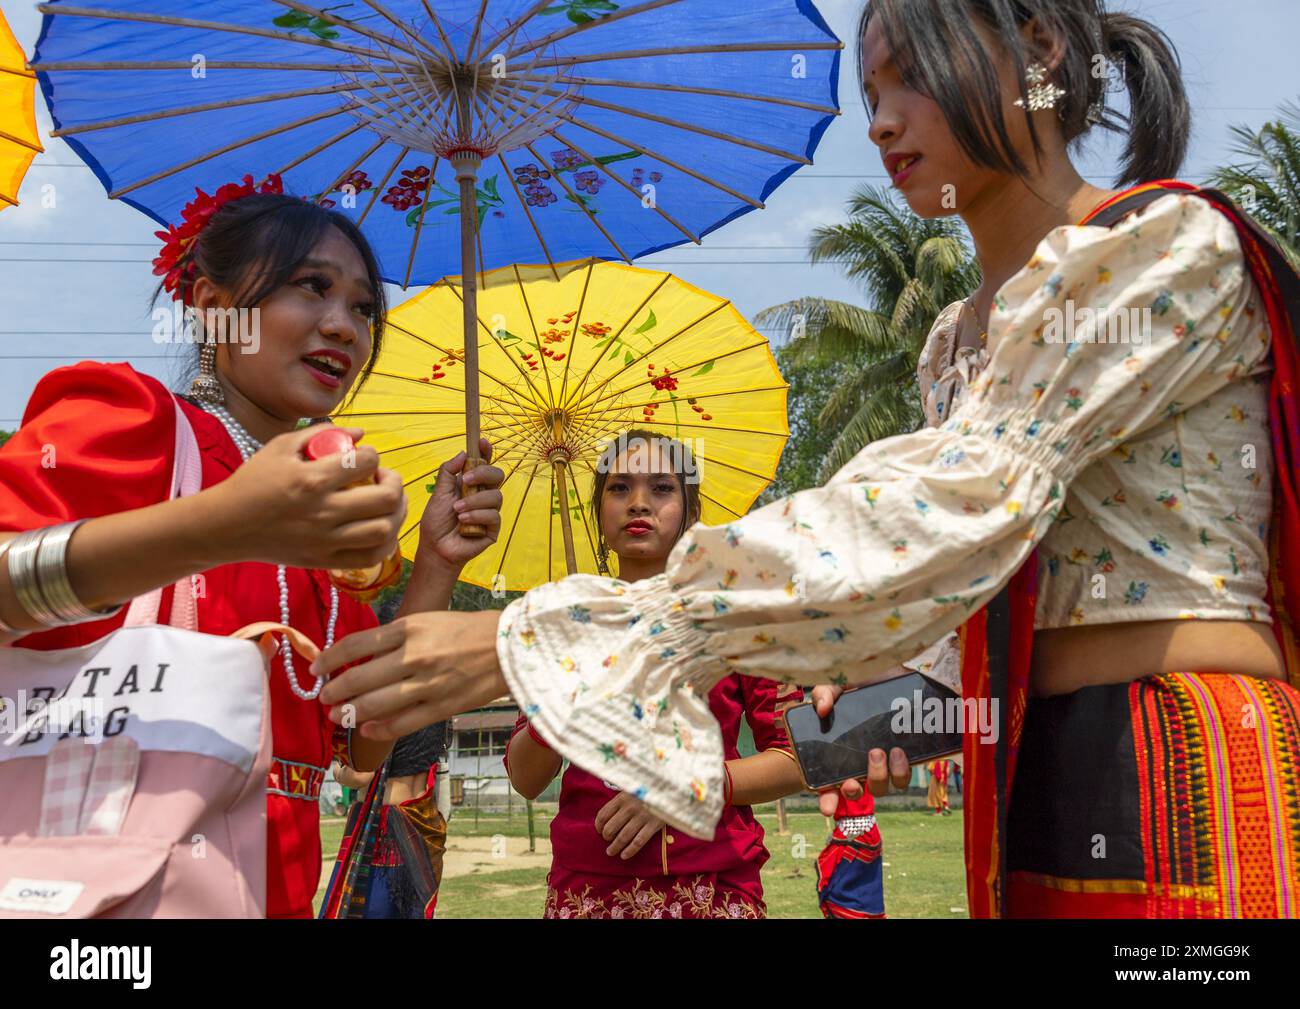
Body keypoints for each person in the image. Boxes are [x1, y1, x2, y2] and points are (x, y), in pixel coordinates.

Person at [314, 0, 1300, 920]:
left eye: (909, 79)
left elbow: (945, 514)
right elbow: (931, 616)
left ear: (1038, 51)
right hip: (1024, 774)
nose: (880, 122)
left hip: (1180, 751)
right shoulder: (953, 342)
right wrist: (852, 692)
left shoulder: (1162, 246)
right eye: (870, 97)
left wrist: (529, 638)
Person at [0, 178, 504, 918]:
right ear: (212, 309)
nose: (345, 326)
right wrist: (226, 524)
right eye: (312, 287)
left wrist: (435, 562)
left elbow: (363, 750)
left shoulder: (314, 523)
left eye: (364, 308)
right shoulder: (133, 420)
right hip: (109, 895)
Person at [503, 431, 805, 918]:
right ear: (598, 510)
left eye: (662, 487)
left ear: (691, 508)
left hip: (711, 887)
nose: (638, 503)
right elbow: (525, 778)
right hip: (588, 891)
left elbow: (798, 757)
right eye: (619, 488)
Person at [323, 723, 449, 919]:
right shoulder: (436, 700)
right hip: (421, 824)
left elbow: (360, 775)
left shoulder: (381, 701)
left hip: (381, 830)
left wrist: (338, 772)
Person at [817, 787, 885, 919]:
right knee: (868, 891)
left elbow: (828, 808)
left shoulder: (835, 771)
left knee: (837, 891)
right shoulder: (866, 768)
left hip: (850, 836)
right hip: (870, 832)